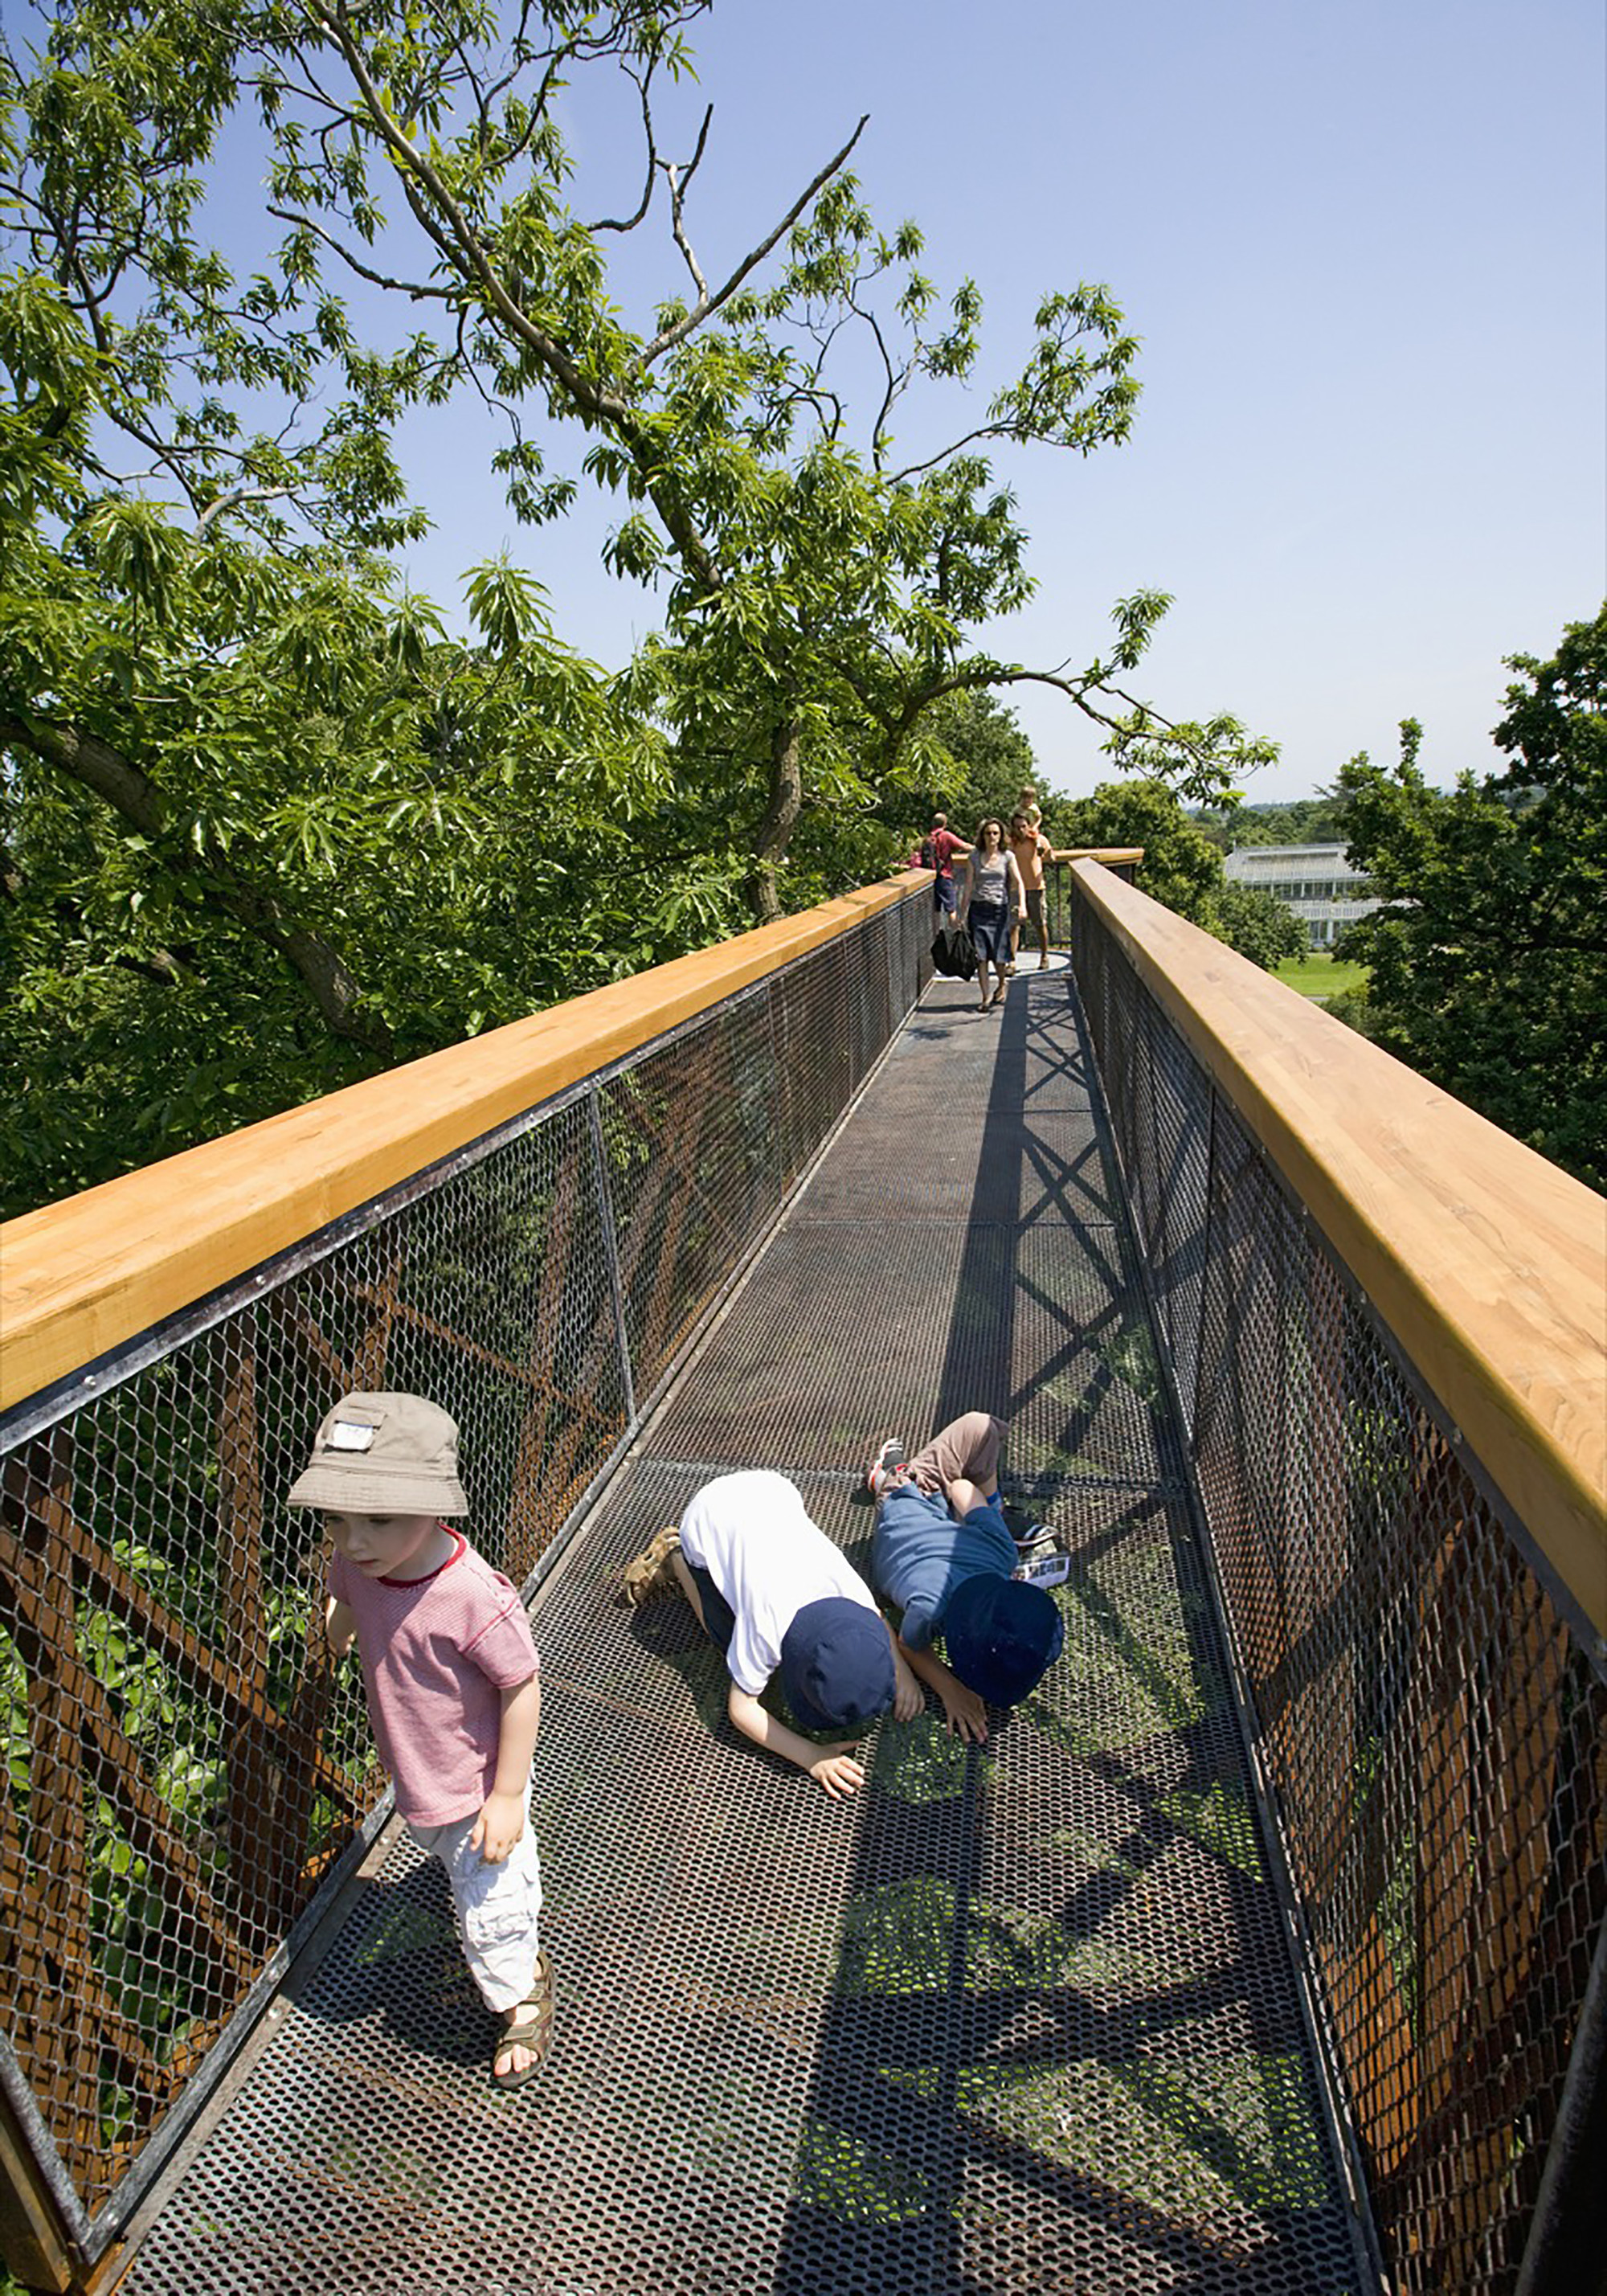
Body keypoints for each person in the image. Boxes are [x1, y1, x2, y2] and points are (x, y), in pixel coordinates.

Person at [290, 1391, 552, 2092]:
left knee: (491, 1909)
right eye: (337, 1519)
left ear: (434, 1505)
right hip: (419, 1776)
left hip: (476, 1784)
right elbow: (344, 1592)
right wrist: (340, 1624)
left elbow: (520, 1685)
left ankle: (520, 1992)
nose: (353, 1538)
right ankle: (505, 1909)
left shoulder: (472, 1593)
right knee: (459, 1869)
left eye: (375, 1516)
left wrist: (506, 1795)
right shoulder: (363, 1560)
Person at [625, 1471, 923, 1799]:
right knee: (724, 1638)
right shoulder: (763, 1626)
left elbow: (878, 1620)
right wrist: (811, 1756)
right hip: (708, 1517)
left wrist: (902, 1672)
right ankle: (676, 1557)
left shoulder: (852, 1593)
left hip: (769, 1491)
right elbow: (741, 1710)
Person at [866, 1416, 1065, 1741]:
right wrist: (950, 1688)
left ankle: (894, 1474)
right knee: (912, 1479)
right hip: (903, 1497)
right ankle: (889, 1473)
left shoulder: (1001, 1552)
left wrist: (981, 1517)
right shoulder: (930, 1607)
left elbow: (961, 1487)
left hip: (921, 1509)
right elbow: (909, 1645)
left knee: (979, 1426)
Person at [956, 817, 1026, 1010]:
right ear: (983, 836)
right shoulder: (974, 857)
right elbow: (968, 887)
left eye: (995, 833)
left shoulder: (1007, 857)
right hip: (979, 910)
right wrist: (961, 914)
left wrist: (1022, 906)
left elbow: (1018, 882)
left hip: (999, 910)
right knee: (981, 956)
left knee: (999, 956)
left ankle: (1002, 984)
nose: (992, 837)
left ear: (1001, 835)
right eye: (988, 833)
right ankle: (986, 997)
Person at [1007, 809, 1071, 972]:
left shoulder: (1038, 840)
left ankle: (1044, 956)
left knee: (1039, 924)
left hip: (1036, 888)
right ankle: (1012, 961)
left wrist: (1046, 852)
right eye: (1017, 827)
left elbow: (1051, 858)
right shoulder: (1010, 843)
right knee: (1014, 925)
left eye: (1023, 826)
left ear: (1029, 826)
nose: (1021, 830)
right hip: (1016, 889)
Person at [920, 811, 973, 925]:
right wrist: (981, 849)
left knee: (935, 911)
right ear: (945, 823)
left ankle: (937, 936)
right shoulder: (945, 836)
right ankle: (955, 936)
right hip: (944, 877)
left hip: (929, 880)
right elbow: (964, 846)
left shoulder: (928, 838)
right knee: (951, 909)